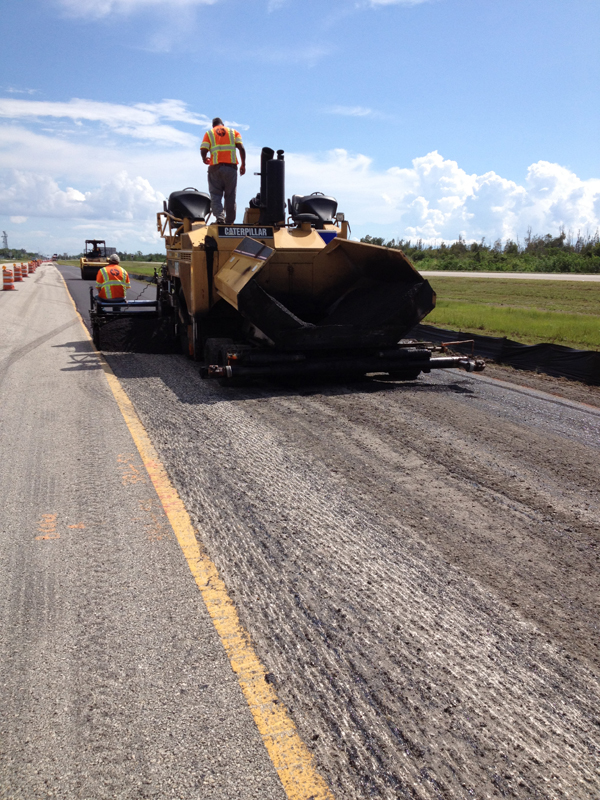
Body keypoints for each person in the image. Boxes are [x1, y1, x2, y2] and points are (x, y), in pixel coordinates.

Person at [200, 117, 246, 224]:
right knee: (230, 196)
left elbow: (203, 150)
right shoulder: (233, 132)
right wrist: (243, 164)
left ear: (213, 125)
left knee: (215, 195)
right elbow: (241, 148)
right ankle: (229, 222)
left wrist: (204, 159)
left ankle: (220, 219)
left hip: (215, 168)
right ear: (223, 124)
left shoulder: (209, 133)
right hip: (231, 168)